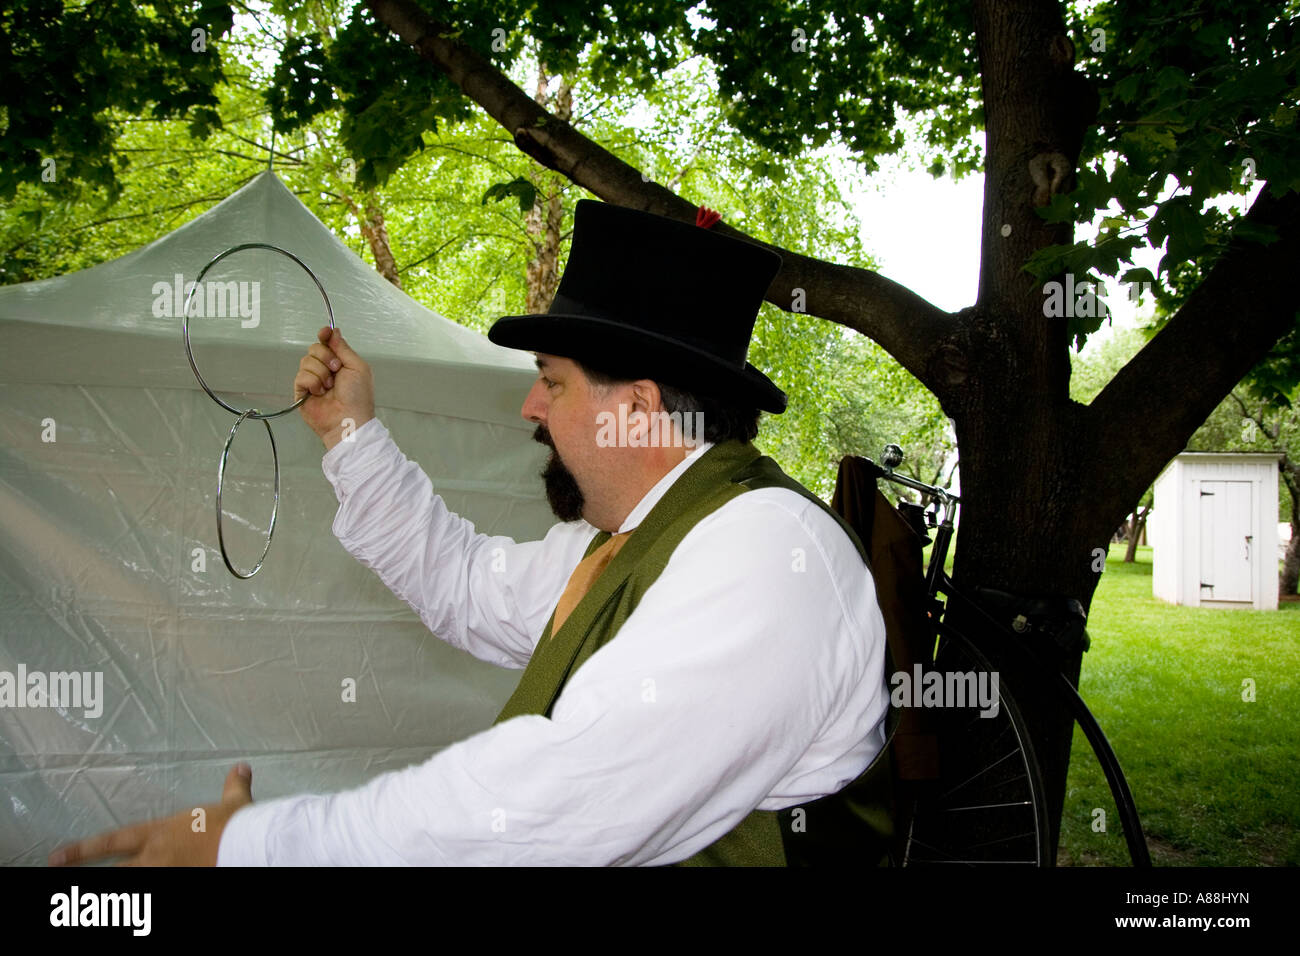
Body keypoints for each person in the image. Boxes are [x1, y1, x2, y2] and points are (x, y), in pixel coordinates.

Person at [49, 200, 890, 866]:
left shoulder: (767, 555)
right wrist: (351, 434)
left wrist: (256, 848)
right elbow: (460, 582)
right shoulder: (626, 545)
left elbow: (564, 796)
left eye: (551, 384)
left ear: (635, 407)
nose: (530, 408)